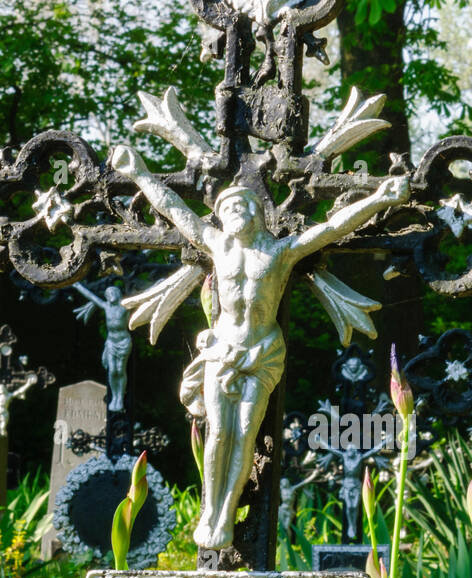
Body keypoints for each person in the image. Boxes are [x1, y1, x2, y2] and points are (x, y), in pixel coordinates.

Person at [111, 144, 410, 549]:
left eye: (240, 207)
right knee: (218, 432)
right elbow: (175, 209)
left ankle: (226, 516)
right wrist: (140, 173)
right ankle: (210, 511)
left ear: (256, 213)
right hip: (223, 349)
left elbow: (332, 227)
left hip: (263, 350)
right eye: (226, 209)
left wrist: (381, 197)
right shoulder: (217, 246)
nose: (233, 214)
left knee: (245, 433)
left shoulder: (280, 251)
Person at [73, 283, 131, 413]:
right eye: (108, 294)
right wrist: (77, 286)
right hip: (111, 342)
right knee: (112, 371)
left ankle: (120, 398)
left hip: (123, 341)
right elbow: (92, 297)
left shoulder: (125, 307)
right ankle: (114, 396)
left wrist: (157, 285)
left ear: (118, 294)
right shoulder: (106, 307)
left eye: (113, 293)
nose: (111, 295)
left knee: (120, 370)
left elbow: (142, 297)